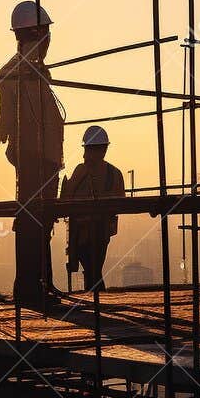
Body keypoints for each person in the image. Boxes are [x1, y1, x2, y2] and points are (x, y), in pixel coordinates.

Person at [0, 0, 65, 307]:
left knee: (43, 220)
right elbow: (4, 83)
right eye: (45, 35)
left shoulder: (35, 71)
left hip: (47, 158)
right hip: (32, 156)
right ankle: (29, 287)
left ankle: (41, 282)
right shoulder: (17, 70)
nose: (49, 41)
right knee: (31, 219)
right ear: (35, 35)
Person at [62, 125, 124, 292]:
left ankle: (96, 298)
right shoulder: (114, 173)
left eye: (87, 150)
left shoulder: (82, 171)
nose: (85, 155)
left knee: (92, 270)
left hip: (86, 232)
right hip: (100, 231)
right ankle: (96, 298)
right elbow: (120, 203)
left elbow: (66, 199)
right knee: (94, 269)